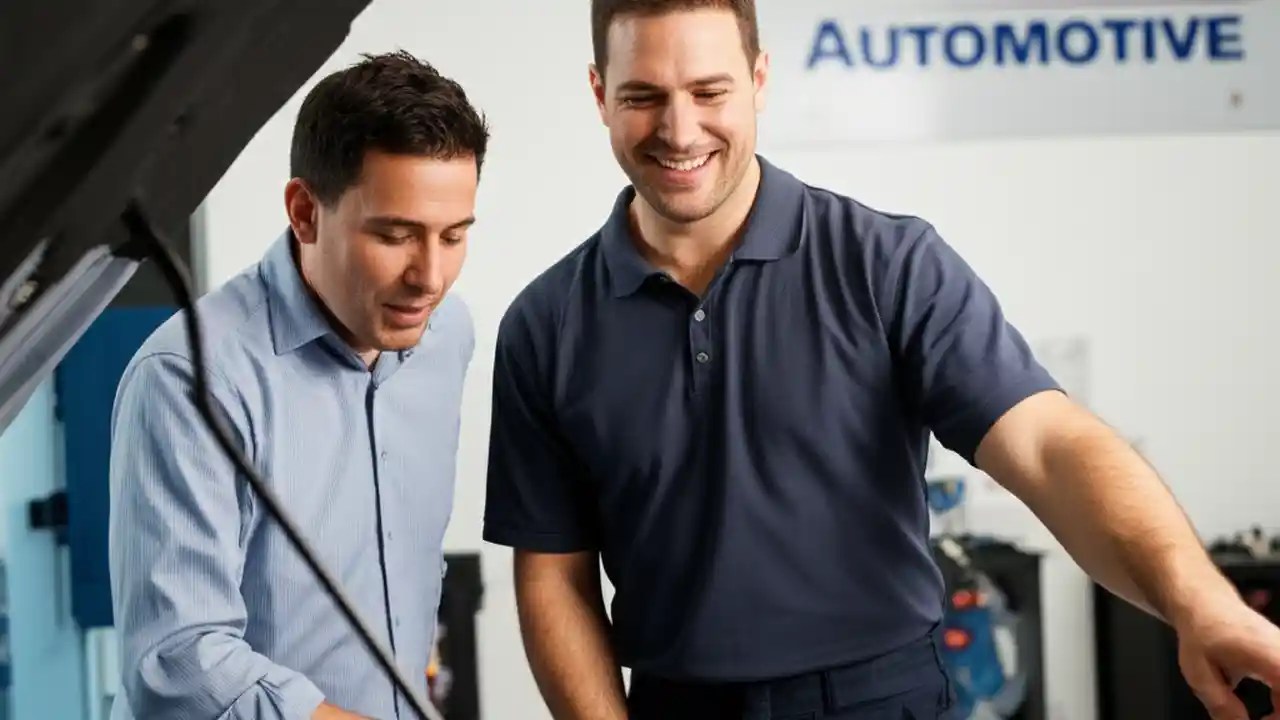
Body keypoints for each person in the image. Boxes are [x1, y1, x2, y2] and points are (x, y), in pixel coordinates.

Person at [481, 2, 1280, 719]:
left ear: (759, 80)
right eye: (643, 96)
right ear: (598, 94)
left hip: (881, 699)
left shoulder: (888, 265)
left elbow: (1047, 445)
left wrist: (1196, 597)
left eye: (710, 91)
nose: (680, 130)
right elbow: (554, 578)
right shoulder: (546, 325)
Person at [108, 51, 488, 720]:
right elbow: (181, 664)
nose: (429, 275)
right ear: (305, 212)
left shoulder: (445, 335)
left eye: (453, 235)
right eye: (396, 236)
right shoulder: (191, 377)